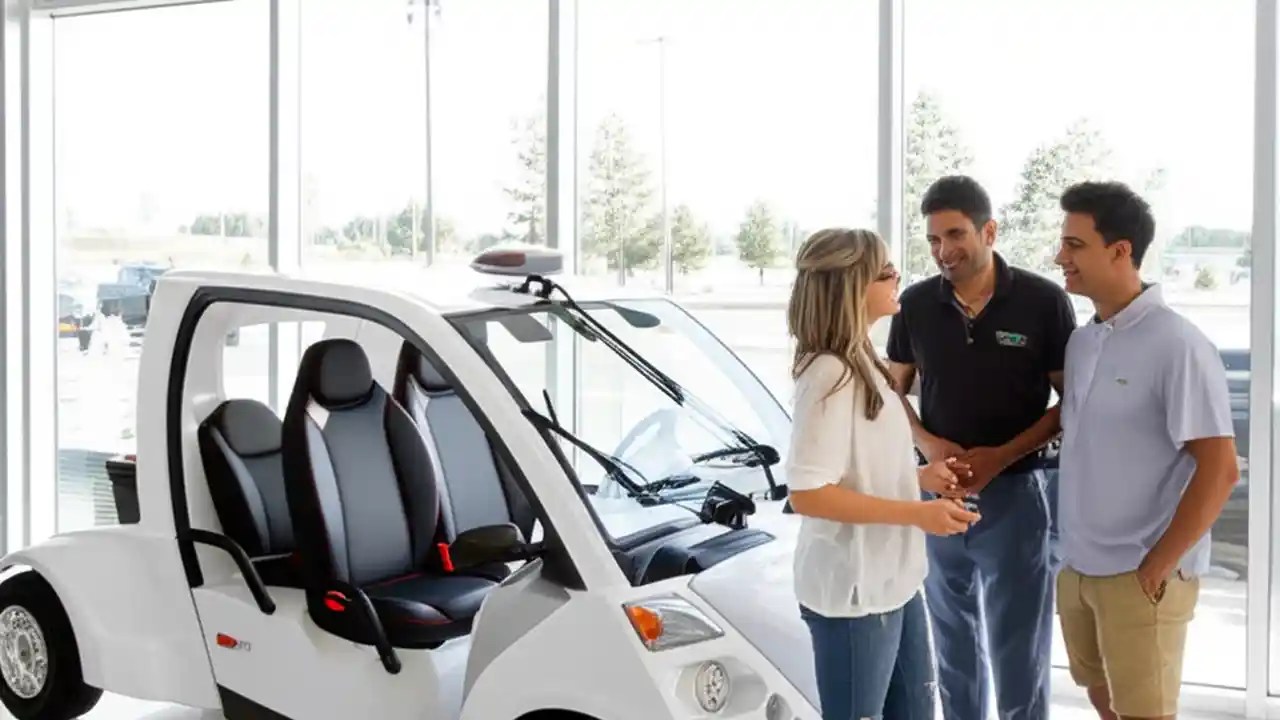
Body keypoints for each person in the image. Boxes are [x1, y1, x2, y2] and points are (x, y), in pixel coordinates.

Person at [886, 175, 1077, 720]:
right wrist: (925, 443)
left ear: (988, 231)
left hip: (1018, 493)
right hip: (941, 497)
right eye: (933, 241)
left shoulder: (1043, 301)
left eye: (955, 235)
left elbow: (1070, 404)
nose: (943, 251)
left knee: (1020, 652)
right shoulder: (916, 305)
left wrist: (1002, 456)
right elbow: (890, 390)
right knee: (952, 647)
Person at [1054, 181, 1238, 720]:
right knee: (1099, 696)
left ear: (1120, 250)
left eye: (1075, 245)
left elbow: (1220, 468)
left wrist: (1158, 566)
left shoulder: (1178, 344)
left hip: (1140, 573)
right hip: (1078, 566)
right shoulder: (1083, 340)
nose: (1060, 256)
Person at [784, 227, 981, 720]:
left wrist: (922, 479)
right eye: (884, 271)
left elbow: (858, 470)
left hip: (894, 582)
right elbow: (809, 493)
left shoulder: (863, 362)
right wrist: (918, 514)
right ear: (850, 285)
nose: (898, 277)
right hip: (855, 594)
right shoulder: (829, 374)